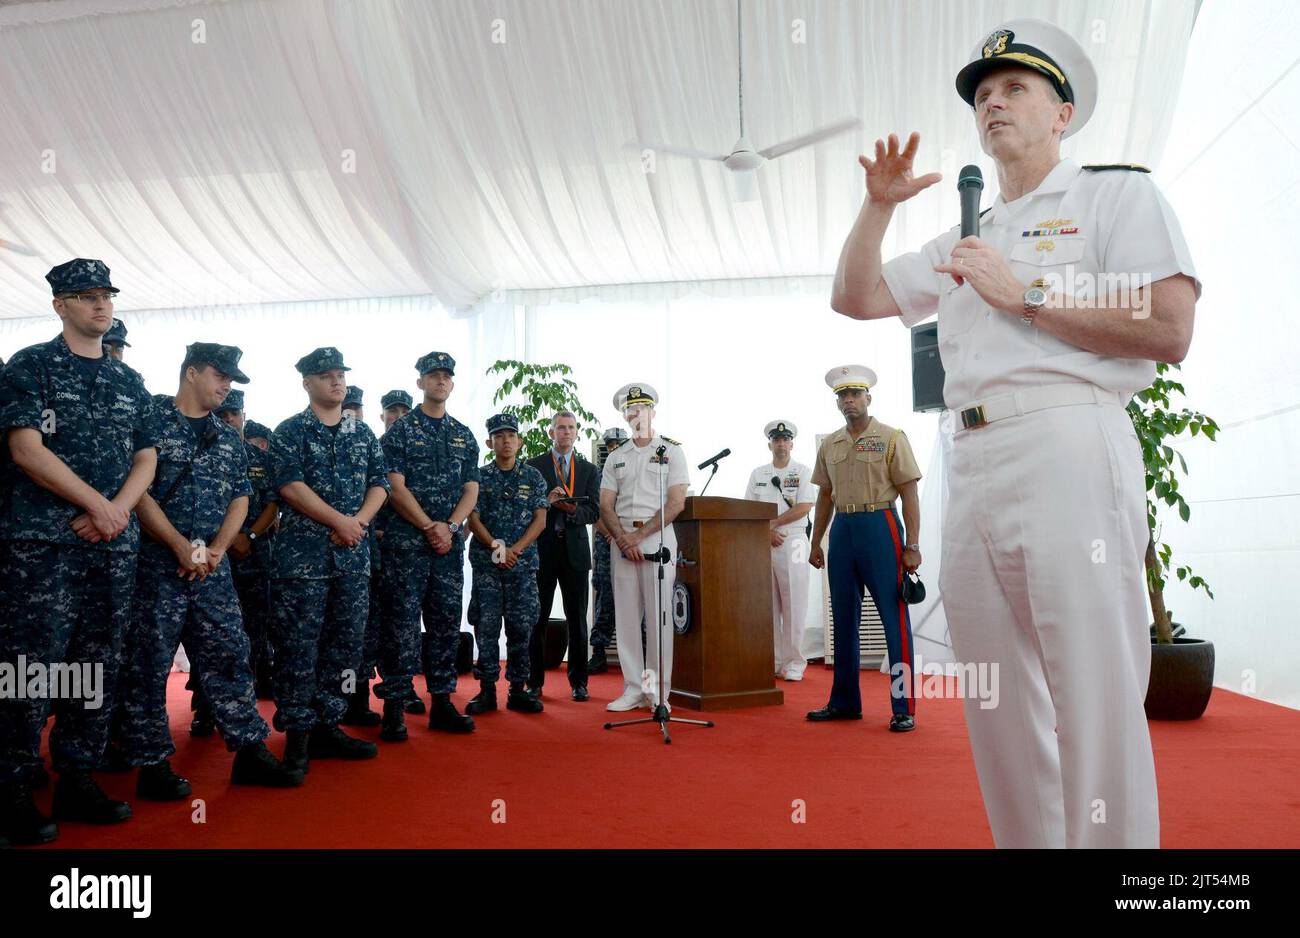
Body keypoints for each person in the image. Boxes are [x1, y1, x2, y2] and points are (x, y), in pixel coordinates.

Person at [830, 19, 1199, 847]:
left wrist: (1024, 295)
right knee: (994, 693)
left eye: (1014, 90)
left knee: (1094, 692)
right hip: (971, 456)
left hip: (1067, 439)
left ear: (1062, 113)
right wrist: (877, 207)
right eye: (983, 95)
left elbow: (1169, 326)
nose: (992, 104)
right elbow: (855, 297)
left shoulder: (1116, 195)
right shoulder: (971, 234)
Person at [0, 259, 157, 845]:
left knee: (94, 664)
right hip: (44, 548)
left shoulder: (128, 381)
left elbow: (148, 457)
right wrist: (100, 505)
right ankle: (13, 786)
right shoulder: (30, 366)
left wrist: (115, 510)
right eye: (86, 297)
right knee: (30, 668)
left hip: (110, 546)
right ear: (60, 305)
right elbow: (25, 449)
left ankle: (76, 775)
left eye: (106, 296)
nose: (100, 306)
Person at [117, 344, 301, 798]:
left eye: (231, 380)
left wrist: (216, 549)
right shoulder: (151, 424)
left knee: (229, 656)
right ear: (192, 372)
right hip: (159, 565)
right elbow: (138, 492)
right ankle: (152, 762)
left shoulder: (226, 437)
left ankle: (249, 750)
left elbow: (241, 496)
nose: (225, 387)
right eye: (219, 376)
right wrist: (179, 545)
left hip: (211, 571)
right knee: (149, 665)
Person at [269, 347, 389, 773]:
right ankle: (299, 735)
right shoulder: (289, 432)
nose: (336, 381)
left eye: (340, 374)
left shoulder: (362, 434)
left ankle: (329, 724)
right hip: (304, 564)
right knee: (300, 647)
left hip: (352, 560)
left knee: (344, 649)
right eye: (326, 375)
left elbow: (379, 484)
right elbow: (290, 488)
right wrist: (340, 520)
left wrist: (357, 521)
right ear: (307, 383)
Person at [807, 367, 922, 731]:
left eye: (855, 394)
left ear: (869, 398)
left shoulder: (891, 437)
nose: (849, 401)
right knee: (842, 618)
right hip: (843, 529)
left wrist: (913, 544)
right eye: (843, 396)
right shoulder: (831, 444)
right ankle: (843, 702)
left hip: (880, 525)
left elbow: (909, 494)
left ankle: (903, 707)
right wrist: (815, 541)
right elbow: (824, 495)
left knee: (894, 619)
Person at [379, 352, 479, 735]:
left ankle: (441, 702)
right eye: (432, 376)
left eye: (445, 376)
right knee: (400, 625)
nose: (440, 381)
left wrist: (450, 527)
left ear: (452, 384)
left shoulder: (464, 435)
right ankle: (394, 707)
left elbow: (471, 488)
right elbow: (394, 486)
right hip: (407, 545)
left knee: (444, 625)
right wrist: (427, 526)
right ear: (419, 382)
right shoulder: (400, 432)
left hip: (447, 549)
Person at [598, 384, 688, 712]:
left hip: (657, 538)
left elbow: (676, 503)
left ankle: (655, 693)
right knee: (627, 618)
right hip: (621, 540)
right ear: (624, 415)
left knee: (659, 619)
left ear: (653, 412)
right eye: (631, 410)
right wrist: (623, 537)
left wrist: (639, 536)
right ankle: (633, 689)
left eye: (643, 408)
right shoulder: (617, 456)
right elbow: (605, 503)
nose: (637, 414)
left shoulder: (672, 451)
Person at [464, 414, 548, 715]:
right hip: (488, 565)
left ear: (520, 441)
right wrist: (496, 546)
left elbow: (541, 519)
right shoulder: (478, 477)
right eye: (499, 436)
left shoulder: (533, 477)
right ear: (490, 442)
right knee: (485, 628)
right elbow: (472, 517)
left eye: (511, 435)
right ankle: (487, 690)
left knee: (521, 627)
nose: (506, 441)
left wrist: (515, 550)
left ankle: (518, 690)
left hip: (522, 567)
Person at [525, 411, 602, 701]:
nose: (566, 432)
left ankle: (579, 683)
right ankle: (534, 682)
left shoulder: (588, 470)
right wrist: (547, 502)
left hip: (575, 553)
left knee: (577, 619)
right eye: (560, 428)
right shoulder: (533, 467)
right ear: (550, 433)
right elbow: (526, 507)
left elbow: (593, 511)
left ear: (577, 433)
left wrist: (571, 510)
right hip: (541, 551)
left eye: (571, 428)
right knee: (537, 618)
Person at [217, 390, 279, 702]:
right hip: (216, 555)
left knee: (256, 624)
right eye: (223, 414)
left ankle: (249, 691)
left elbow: (272, 504)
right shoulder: (206, 453)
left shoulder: (261, 460)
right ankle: (205, 703)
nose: (229, 420)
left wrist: (249, 536)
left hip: (255, 553)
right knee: (215, 630)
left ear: (243, 415)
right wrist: (226, 540)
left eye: (234, 414)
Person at [743, 420, 816, 681]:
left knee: (794, 602)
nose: (781, 443)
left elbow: (805, 506)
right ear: (769, 444)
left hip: (794, 539)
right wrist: (766, 531)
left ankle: (795, 661)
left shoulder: (804, 471)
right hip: (764, 540)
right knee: (768, 604)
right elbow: (749, 509)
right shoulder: (758, 474)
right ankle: (773, 660)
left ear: (792, 443)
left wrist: (774, 524)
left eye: (785, 439)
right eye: (776, 439)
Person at [587, 426, 628, 674]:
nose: (614, 448)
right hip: (606, 543)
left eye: (619, 444)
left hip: (633, 541)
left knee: (638, 596)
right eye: (611, 445)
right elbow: (595, 512)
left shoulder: (635, 473)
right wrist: (613, 535)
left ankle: (642, 654)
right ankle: (599, 652)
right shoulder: (598, 476)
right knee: (605, 596)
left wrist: (625, 537)